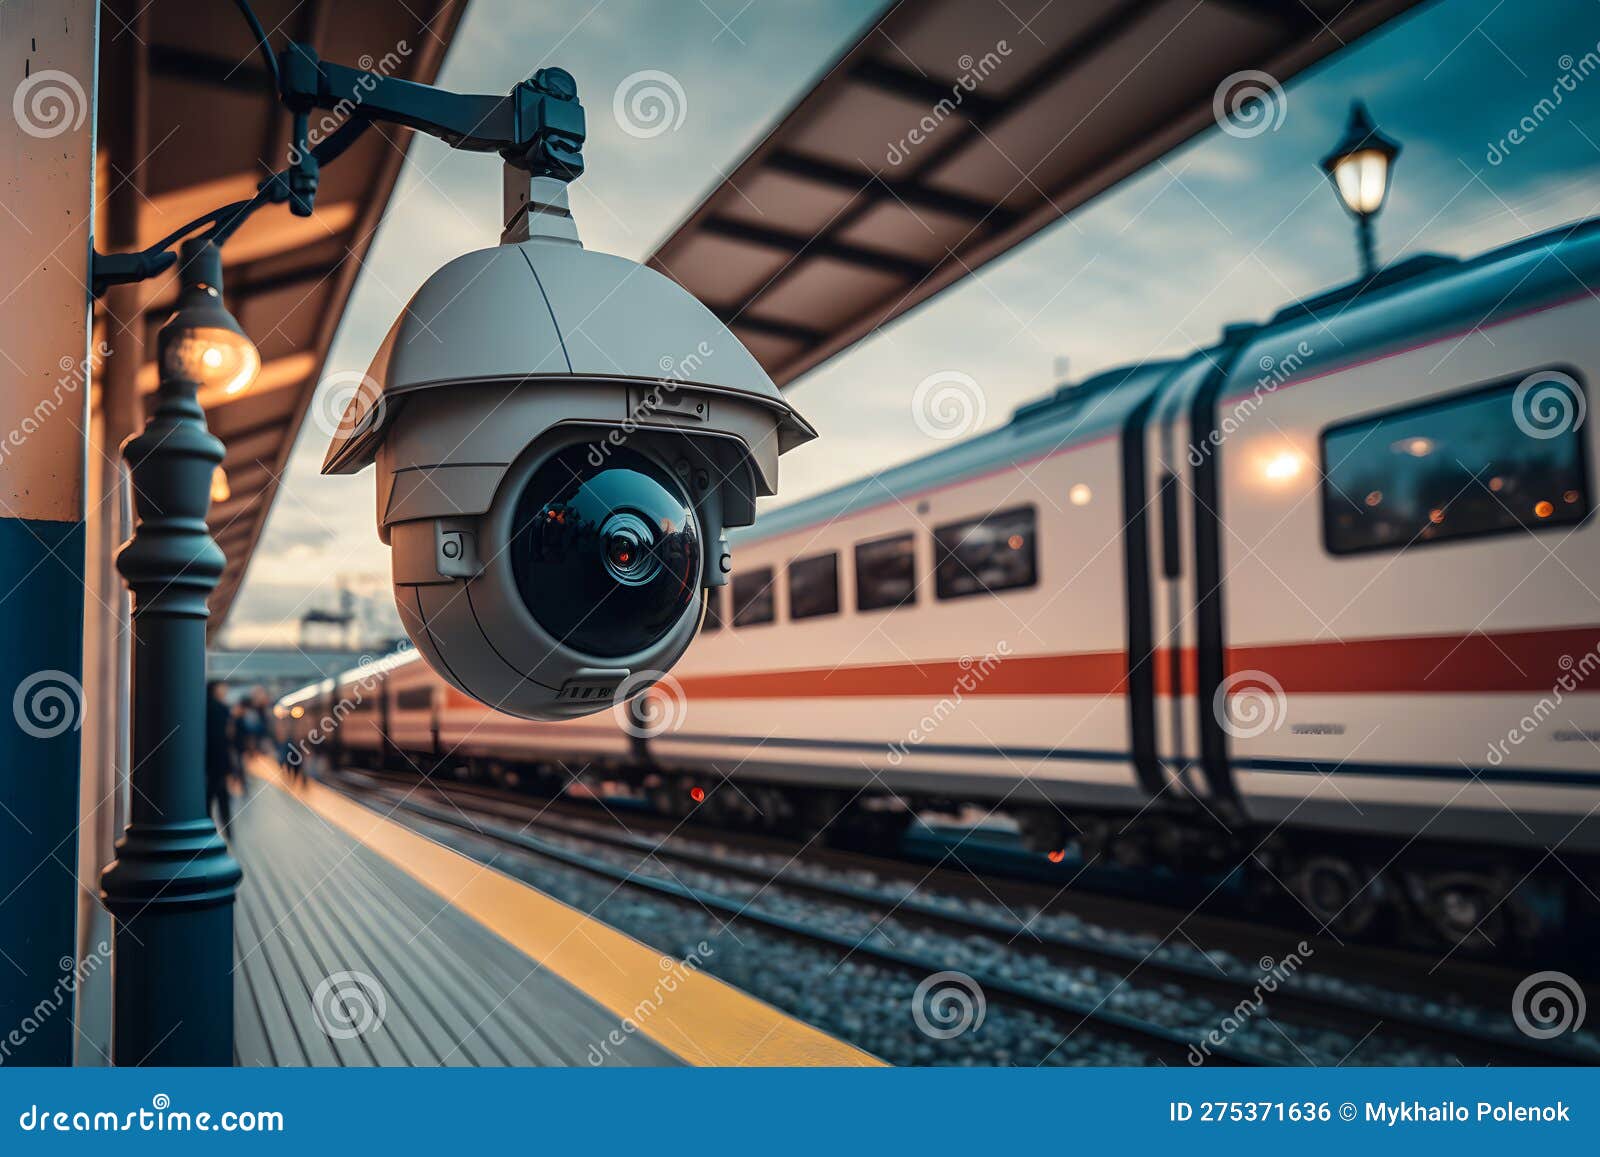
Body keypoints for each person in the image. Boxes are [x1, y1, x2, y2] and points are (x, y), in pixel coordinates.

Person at [205, 681, 238, 832]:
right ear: (215, 689)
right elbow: (228, 735)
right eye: (223, 688)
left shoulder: (204, 707)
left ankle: (209, 825)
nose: (225, 691)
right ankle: (227, 828)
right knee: (220, 793)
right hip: (219, 758)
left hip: (207, 758)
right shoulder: (222, 709)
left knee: (211, 794)